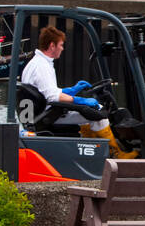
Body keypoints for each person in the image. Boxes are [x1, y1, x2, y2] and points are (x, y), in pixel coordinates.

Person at [20, 26, 137, 158]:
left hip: (44, 112)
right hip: (49, 114)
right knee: (99, 115)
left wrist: (71, 90)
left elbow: (47, 91)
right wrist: (81, 100)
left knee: (88, 118)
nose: (62, 49)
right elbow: (53, 96)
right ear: (52, 45)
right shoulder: (42, 67)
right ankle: (116, 154)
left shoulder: (36, 63)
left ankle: (95, 154)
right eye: (61, 45)